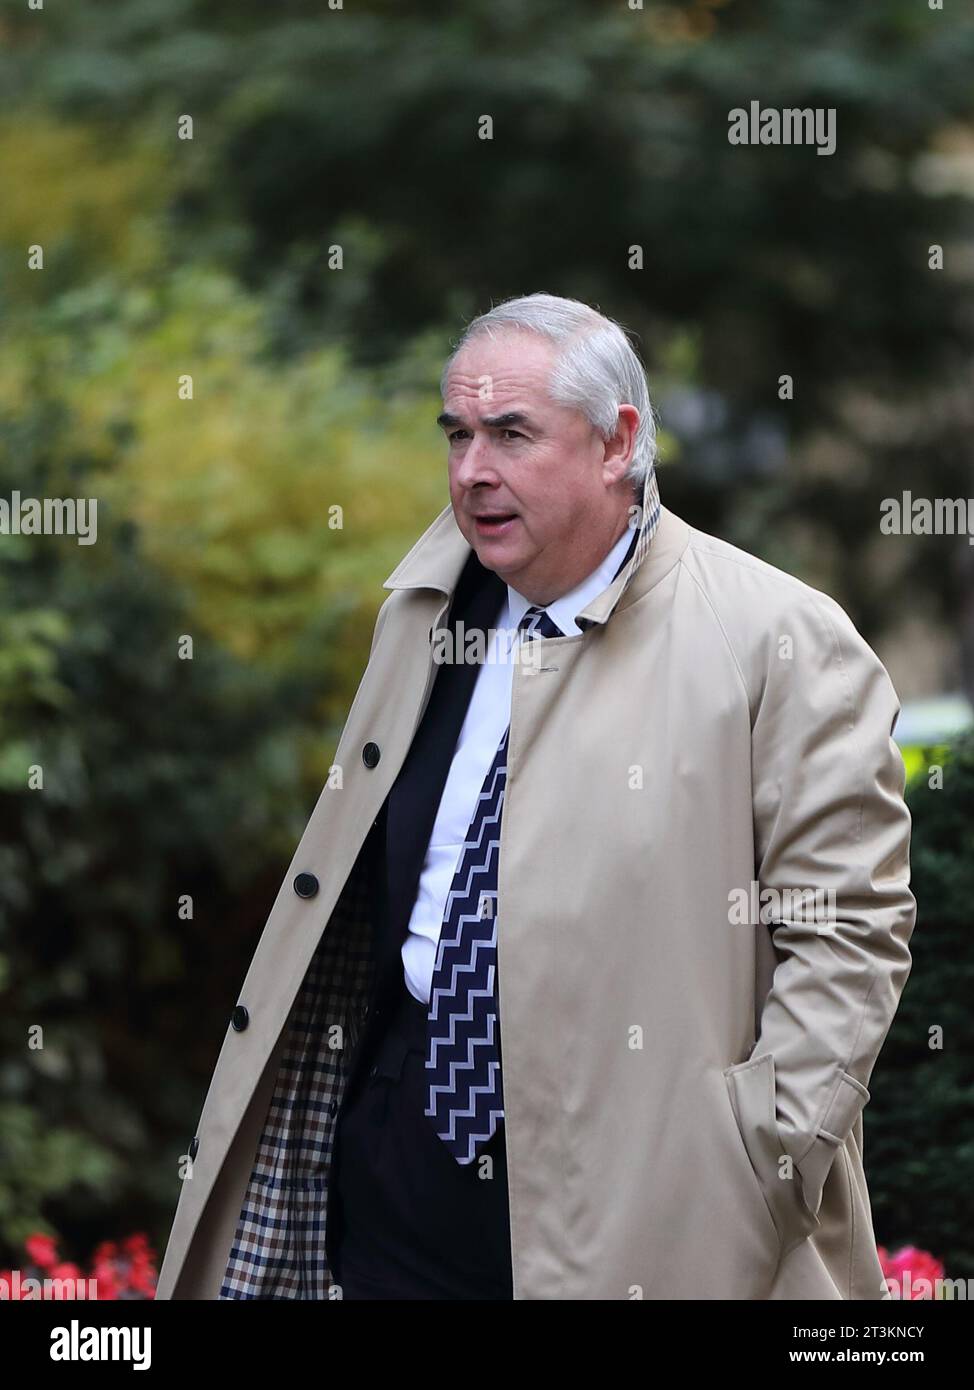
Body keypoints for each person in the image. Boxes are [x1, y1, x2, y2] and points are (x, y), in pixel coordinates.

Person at [155, 292, 916, 1301]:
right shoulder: (426, 613)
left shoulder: (777, 635)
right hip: (403, 1157)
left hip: (650, 1190)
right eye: (457, 435)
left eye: (511, 434)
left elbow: (849, 932)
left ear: (618, 443)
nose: (473, 470)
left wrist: (759, 1159)